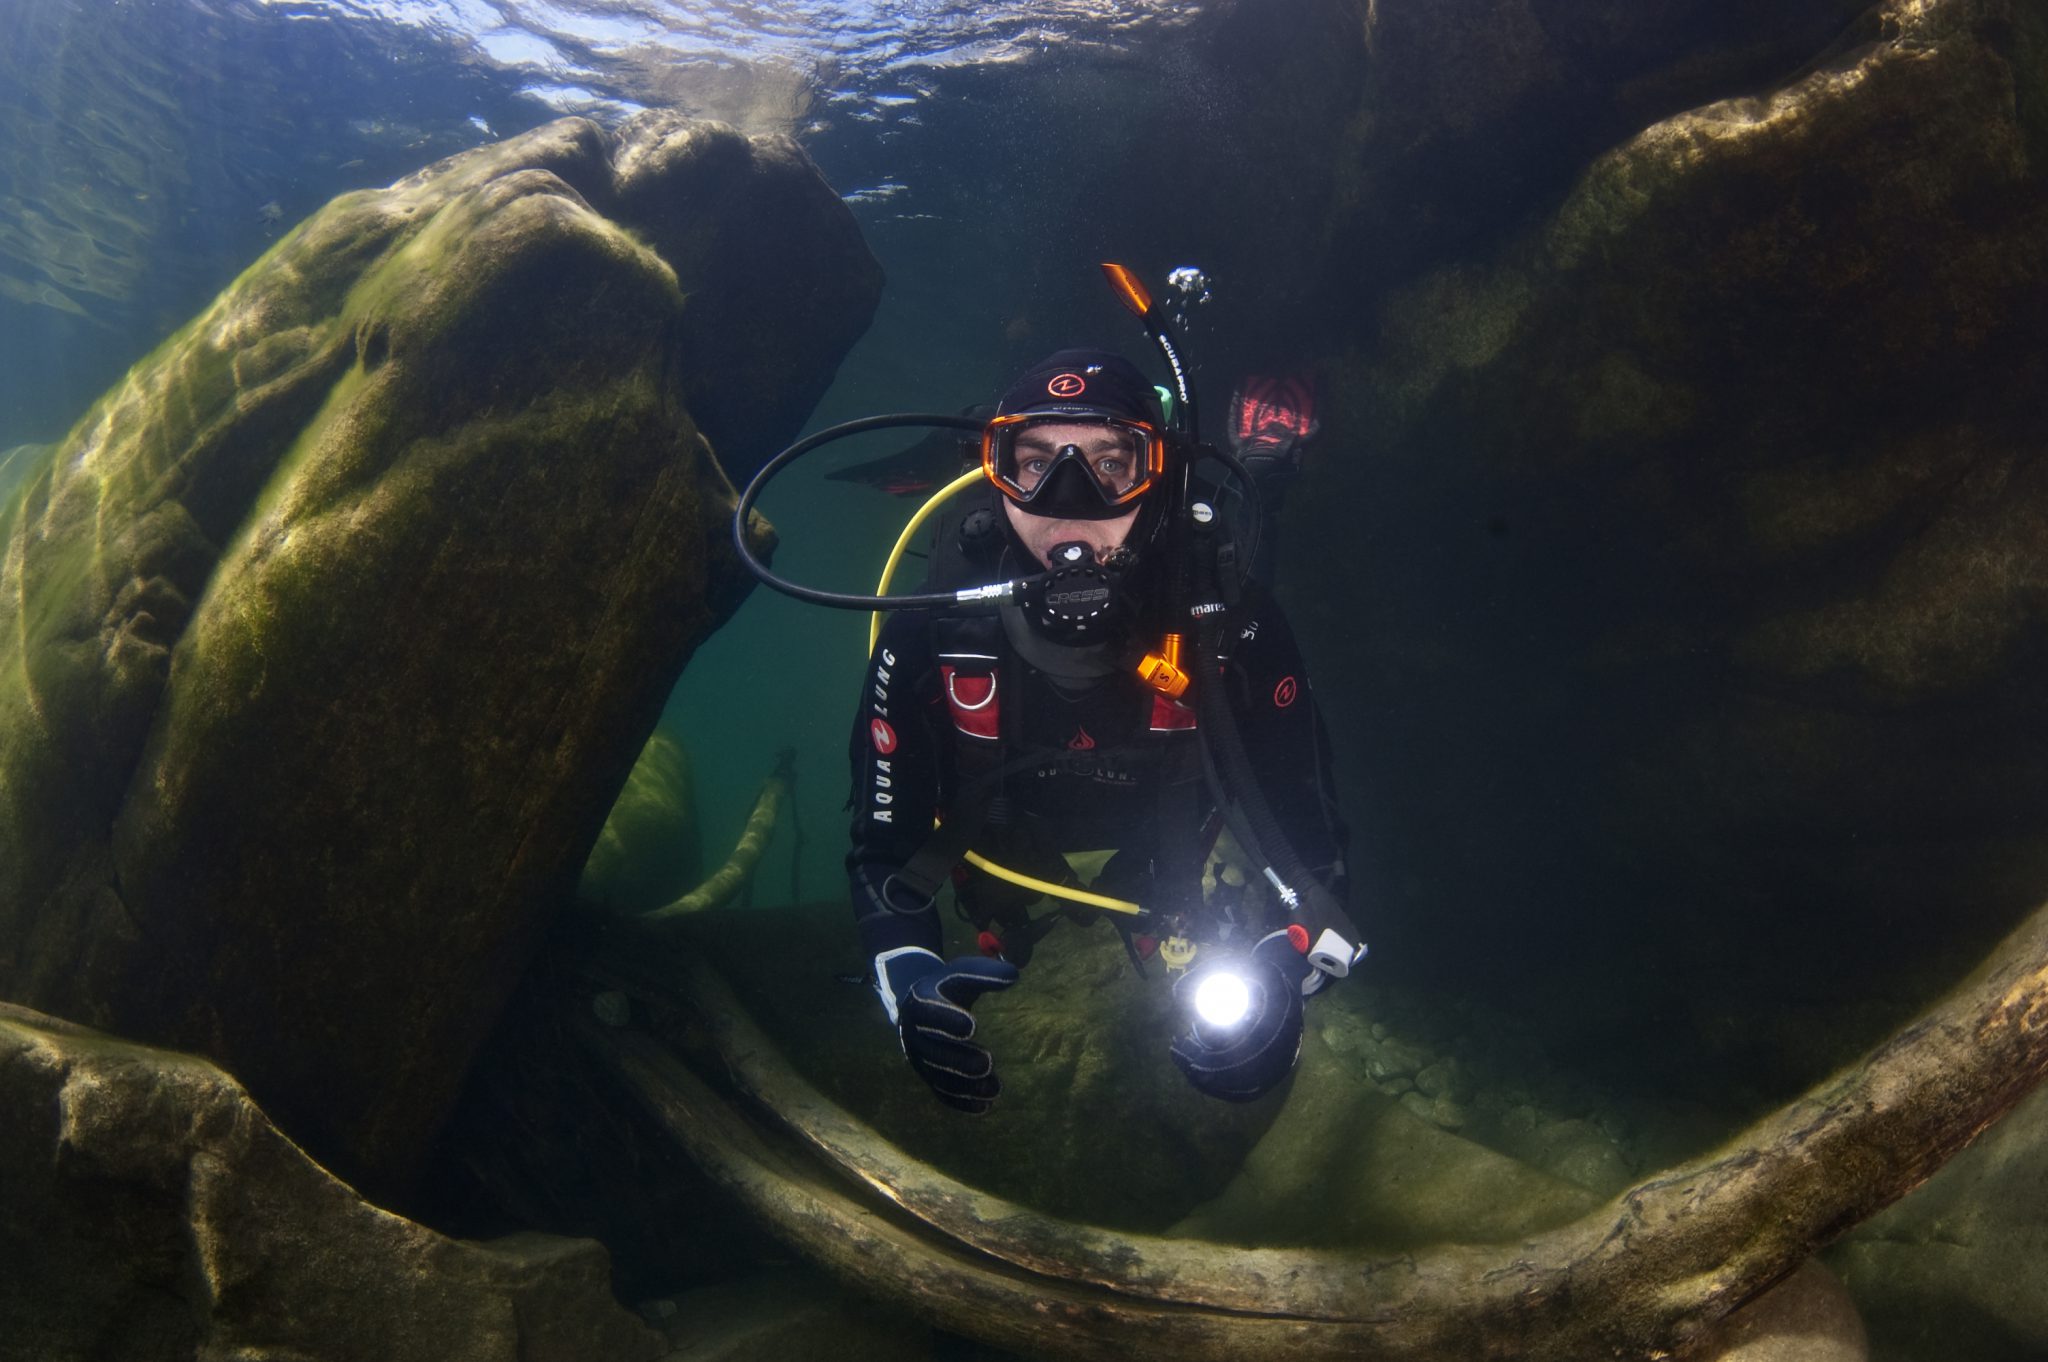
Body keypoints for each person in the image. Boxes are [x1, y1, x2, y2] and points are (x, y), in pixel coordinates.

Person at [845, 348, 1361, 1114]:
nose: (1069, 501)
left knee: (1243, 556)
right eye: (1034, 463)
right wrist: (907, 972)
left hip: (1170, 846)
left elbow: (1313, 846)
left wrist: (1284, 981)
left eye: (1113, 463)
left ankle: (1265, 465)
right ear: (994, 474)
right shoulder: (931, 629)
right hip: (1007, 846)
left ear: (1161, 475)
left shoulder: (1232, 626)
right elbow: (882, 847)